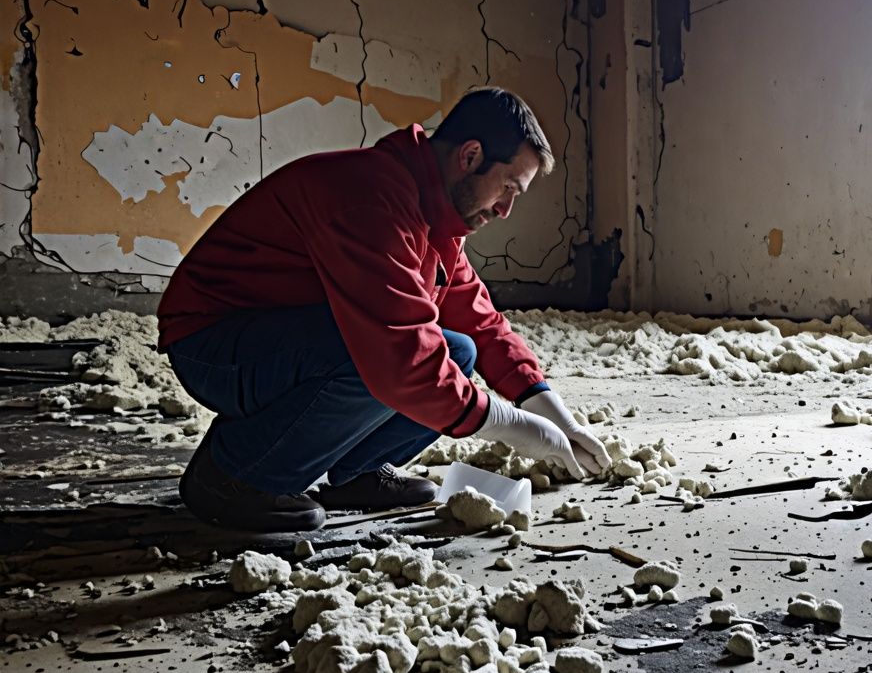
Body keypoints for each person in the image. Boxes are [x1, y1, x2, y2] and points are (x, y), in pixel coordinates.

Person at [156, 87, 610, 532]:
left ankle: (357, 472)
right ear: (470, 156)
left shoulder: (437, 217)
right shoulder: (371, 196)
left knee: (460, 352)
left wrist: (555, 415)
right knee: (375, 357)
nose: (507, 209)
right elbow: (398, 355)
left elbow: (482, 322)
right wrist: (510, 424)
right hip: (213, 342)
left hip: (286, 337)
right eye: (508, 187)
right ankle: (234, 475)